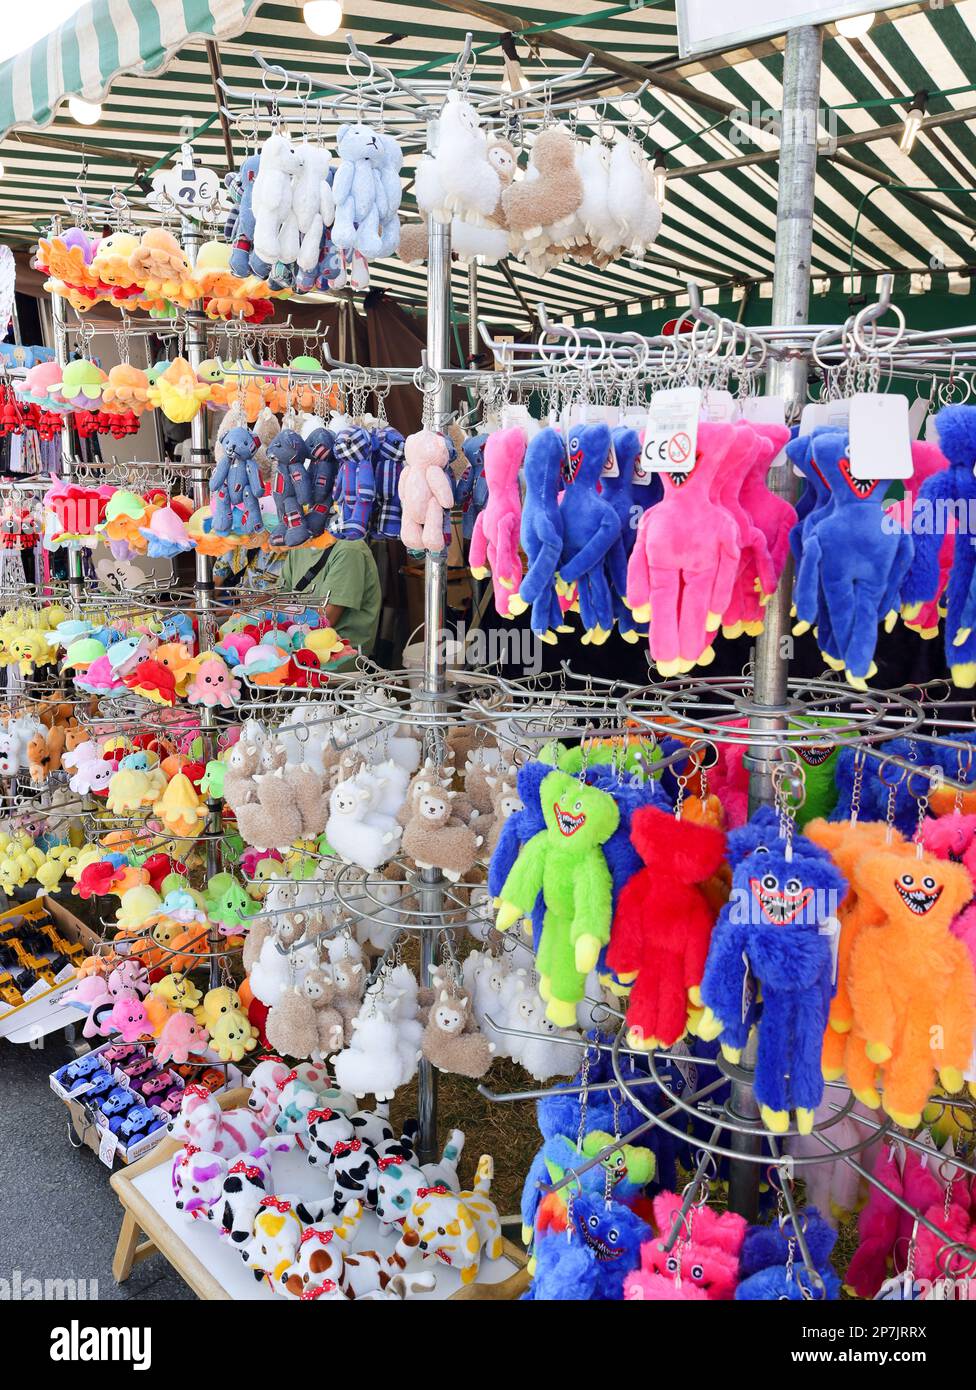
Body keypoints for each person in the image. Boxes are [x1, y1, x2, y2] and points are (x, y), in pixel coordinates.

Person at [278, 537, 382, 657]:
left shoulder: (349, 548)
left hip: (339, 652)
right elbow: (279, 597)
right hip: (300, 640)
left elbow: (323, 620)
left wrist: (279, 611)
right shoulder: (300, 541)